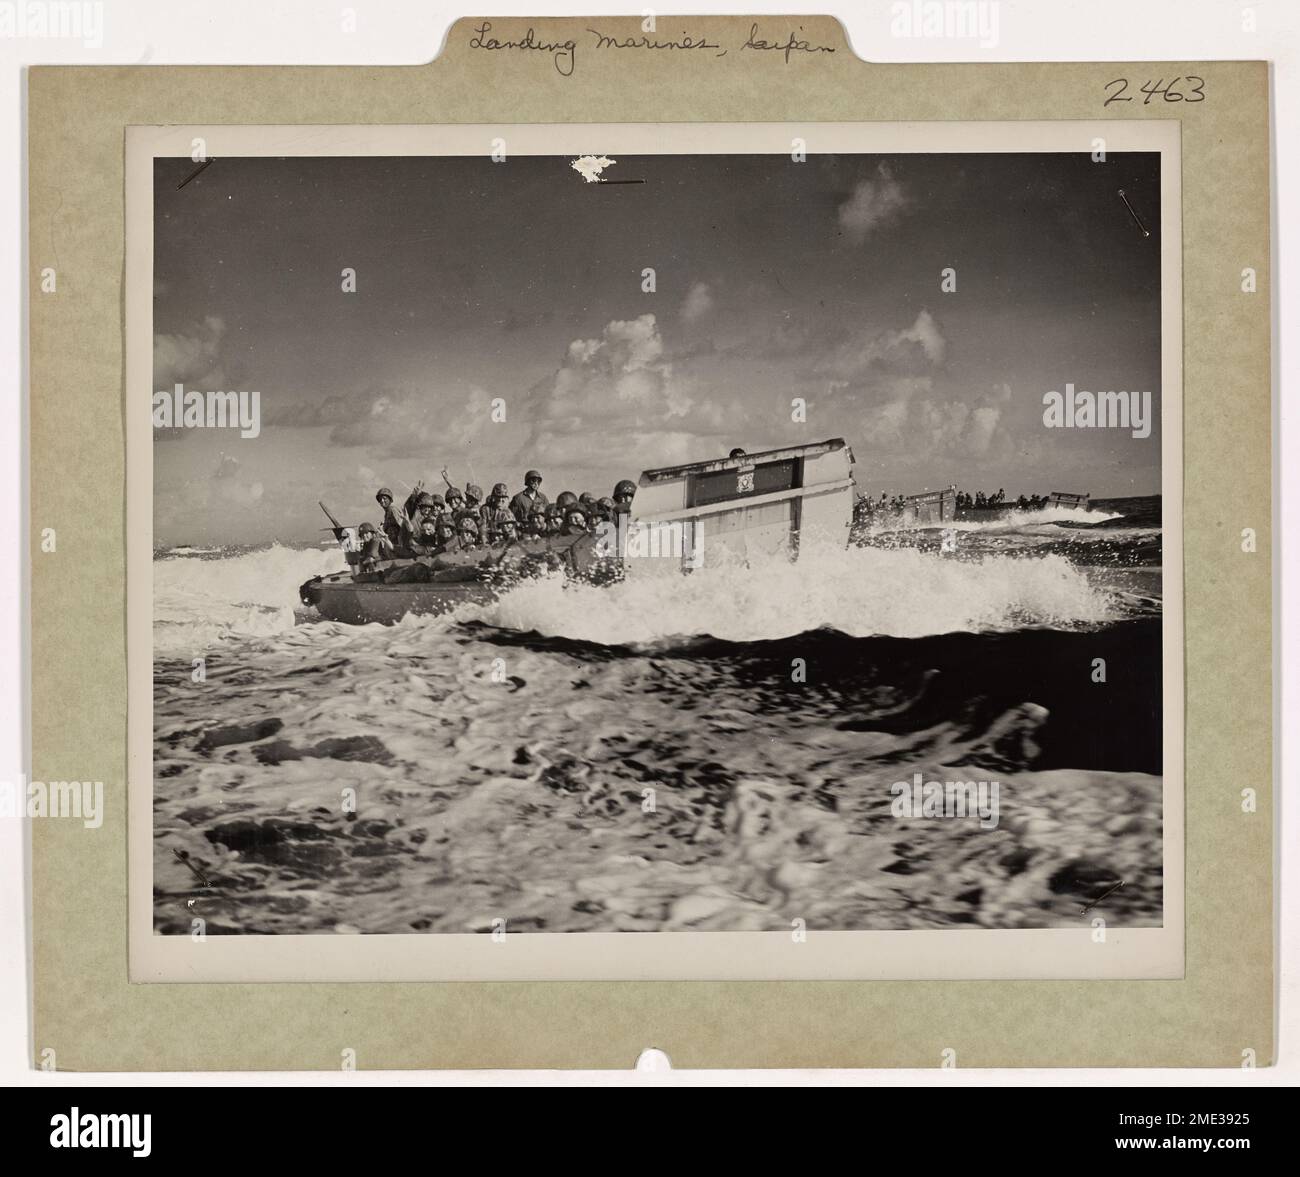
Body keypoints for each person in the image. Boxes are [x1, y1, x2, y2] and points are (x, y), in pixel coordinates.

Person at [374, 487, 411, 553]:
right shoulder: (387, 513)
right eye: (380, 499)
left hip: (397, 543)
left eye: (384, 498)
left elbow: (402, 526)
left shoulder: (393, 510)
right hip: (392, 543)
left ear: (390, 499)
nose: (382, 501)